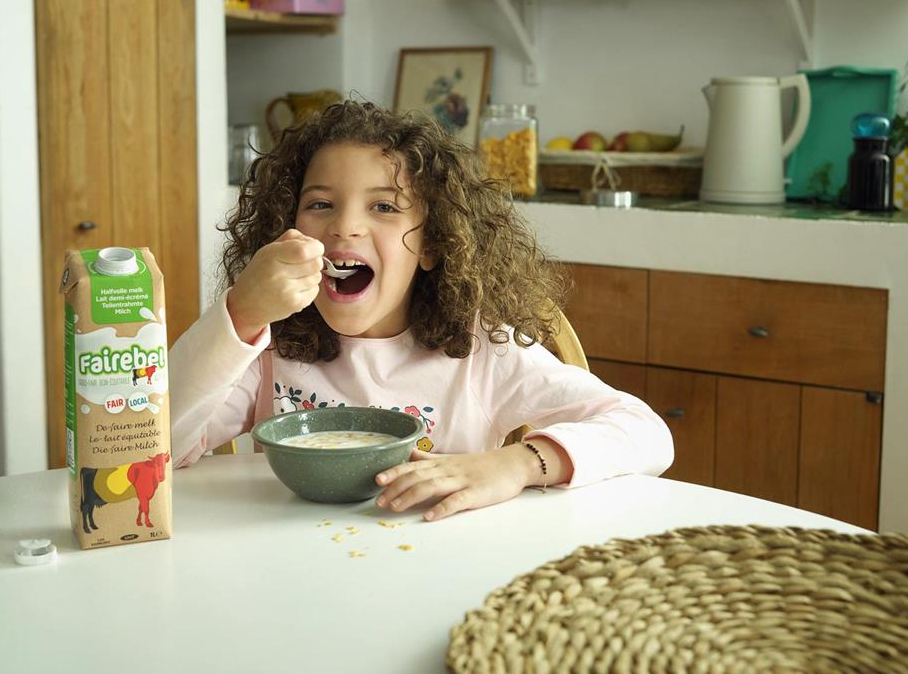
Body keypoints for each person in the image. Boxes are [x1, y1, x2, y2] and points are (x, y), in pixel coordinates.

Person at [170, 100, 673, 522]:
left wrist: (513, 466)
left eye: (384, 207)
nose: (345, 228)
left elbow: (645, 431)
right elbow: (153, 442)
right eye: (320, 204)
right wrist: (241, 312)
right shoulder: (269, 348)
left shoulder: (479, 351)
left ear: (432, 244)